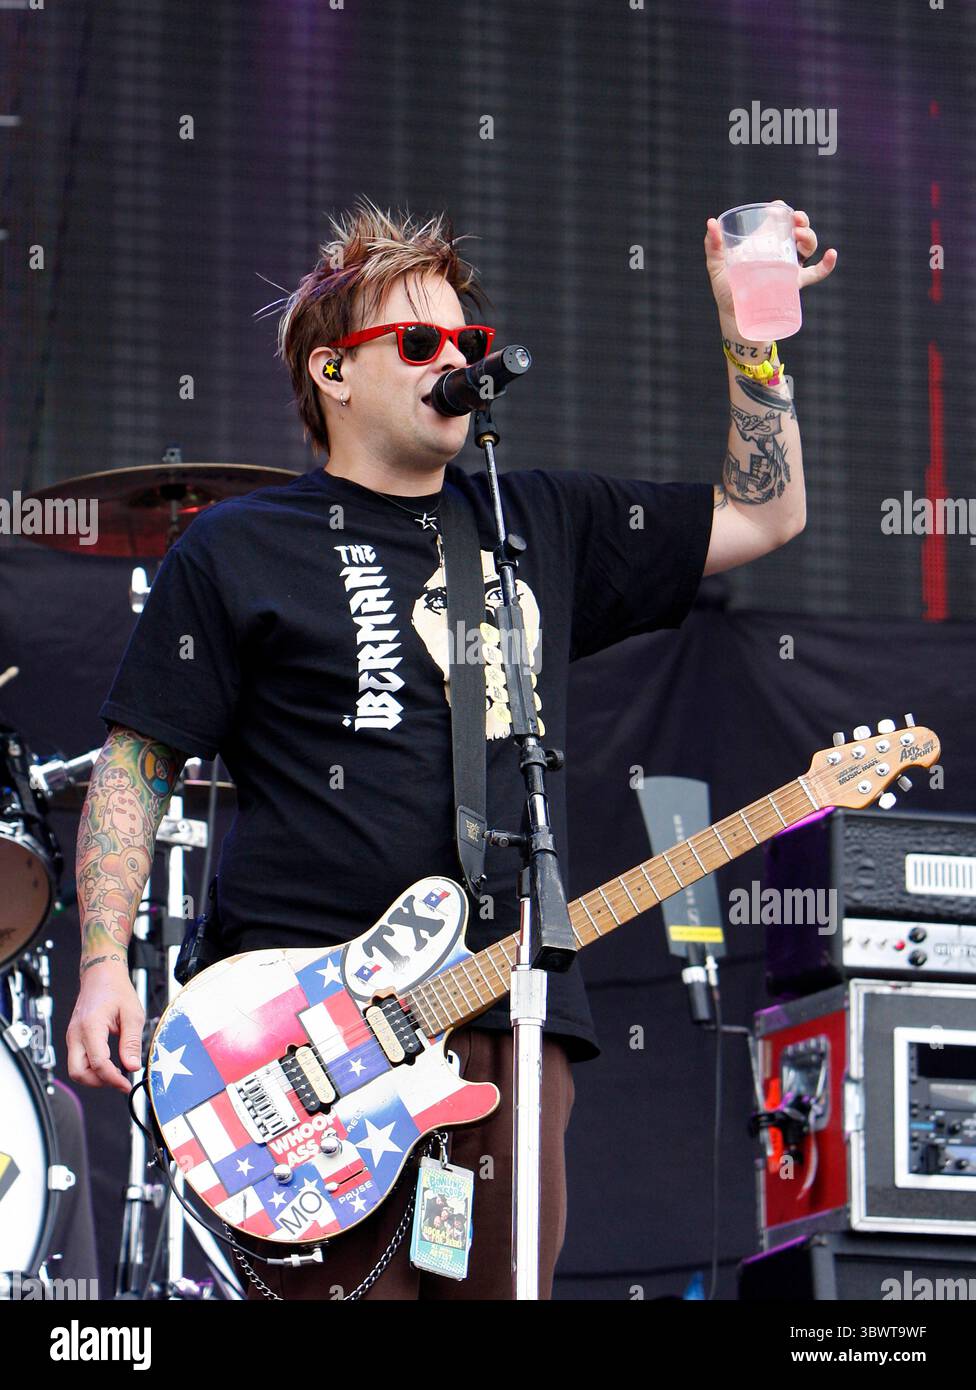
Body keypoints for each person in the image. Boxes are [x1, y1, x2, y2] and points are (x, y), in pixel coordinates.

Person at [65, 197, 836, 1300]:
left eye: (467, 345)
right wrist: (103, 962)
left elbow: (763, 516)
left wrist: (750, 329)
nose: (456, 363)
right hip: (297, 1034)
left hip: (508, 1017)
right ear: (332, 373)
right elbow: (137, 767)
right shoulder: (239, 548)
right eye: (417, 344)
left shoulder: (536, 523)